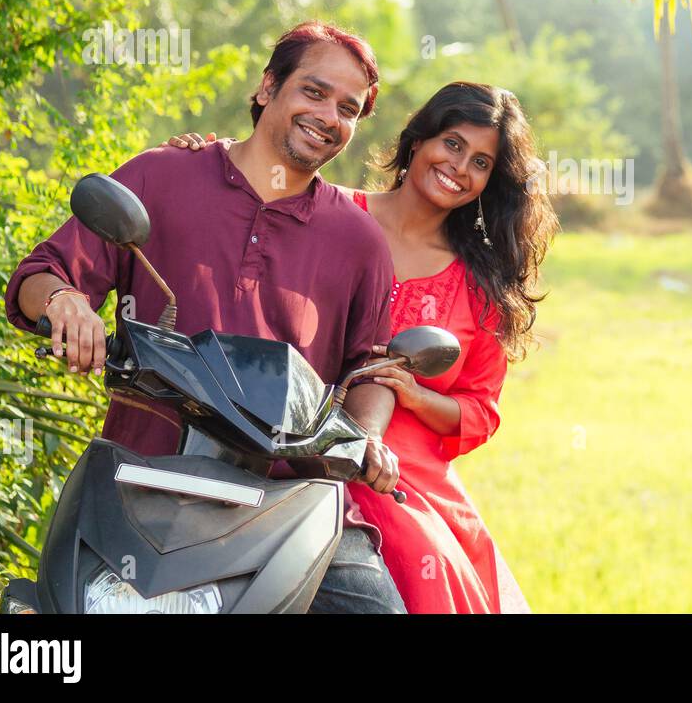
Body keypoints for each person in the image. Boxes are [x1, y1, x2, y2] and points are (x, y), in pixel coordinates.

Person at [5, 21, 408, 614]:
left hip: (287, 495)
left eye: (349, 109)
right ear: (268, 86)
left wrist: (367, 436)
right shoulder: (161, 176)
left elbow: (369, 367)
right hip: (145, 475)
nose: (329, 116)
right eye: (314, 92)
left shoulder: (359, 241)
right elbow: (42, 273)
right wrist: (65, 302)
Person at [165, 81, 559, 612]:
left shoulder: (478, 287)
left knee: (422, 571)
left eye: (482, 162)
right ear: (419, 138)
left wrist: (415, 396)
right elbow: (247, 195)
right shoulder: (326, 211)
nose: (461, 167)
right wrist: (200, 160)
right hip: (278, 434)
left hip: (395, 471)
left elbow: (479, 413)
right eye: (454, 144)